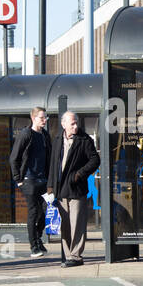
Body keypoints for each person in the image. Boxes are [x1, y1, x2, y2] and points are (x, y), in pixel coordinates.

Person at [49, 111, 100, 267]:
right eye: (72, 123)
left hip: (77, 188)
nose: (75, 126)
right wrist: (50, 187)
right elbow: (52, 164)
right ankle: (68, 254)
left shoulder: (84, 139)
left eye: (76, 122)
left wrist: (79, 174)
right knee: (65, 224)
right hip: (61, 189)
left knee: (77, 223)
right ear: (63, 124)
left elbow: (95, 160)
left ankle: (76, 256)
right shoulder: (57, 140)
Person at [9, 107, 51, 256]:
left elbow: (49, 158)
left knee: (45, 210)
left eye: (46, 117)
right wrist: (18, 180)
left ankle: (38, 239)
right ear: (33, 118)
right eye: (42, 118)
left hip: (43, 180)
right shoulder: (26, 134)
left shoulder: (45, 136)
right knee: (34, 211)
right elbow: (14, 158)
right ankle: (33, 246)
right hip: (29, 179)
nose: (44, 120)